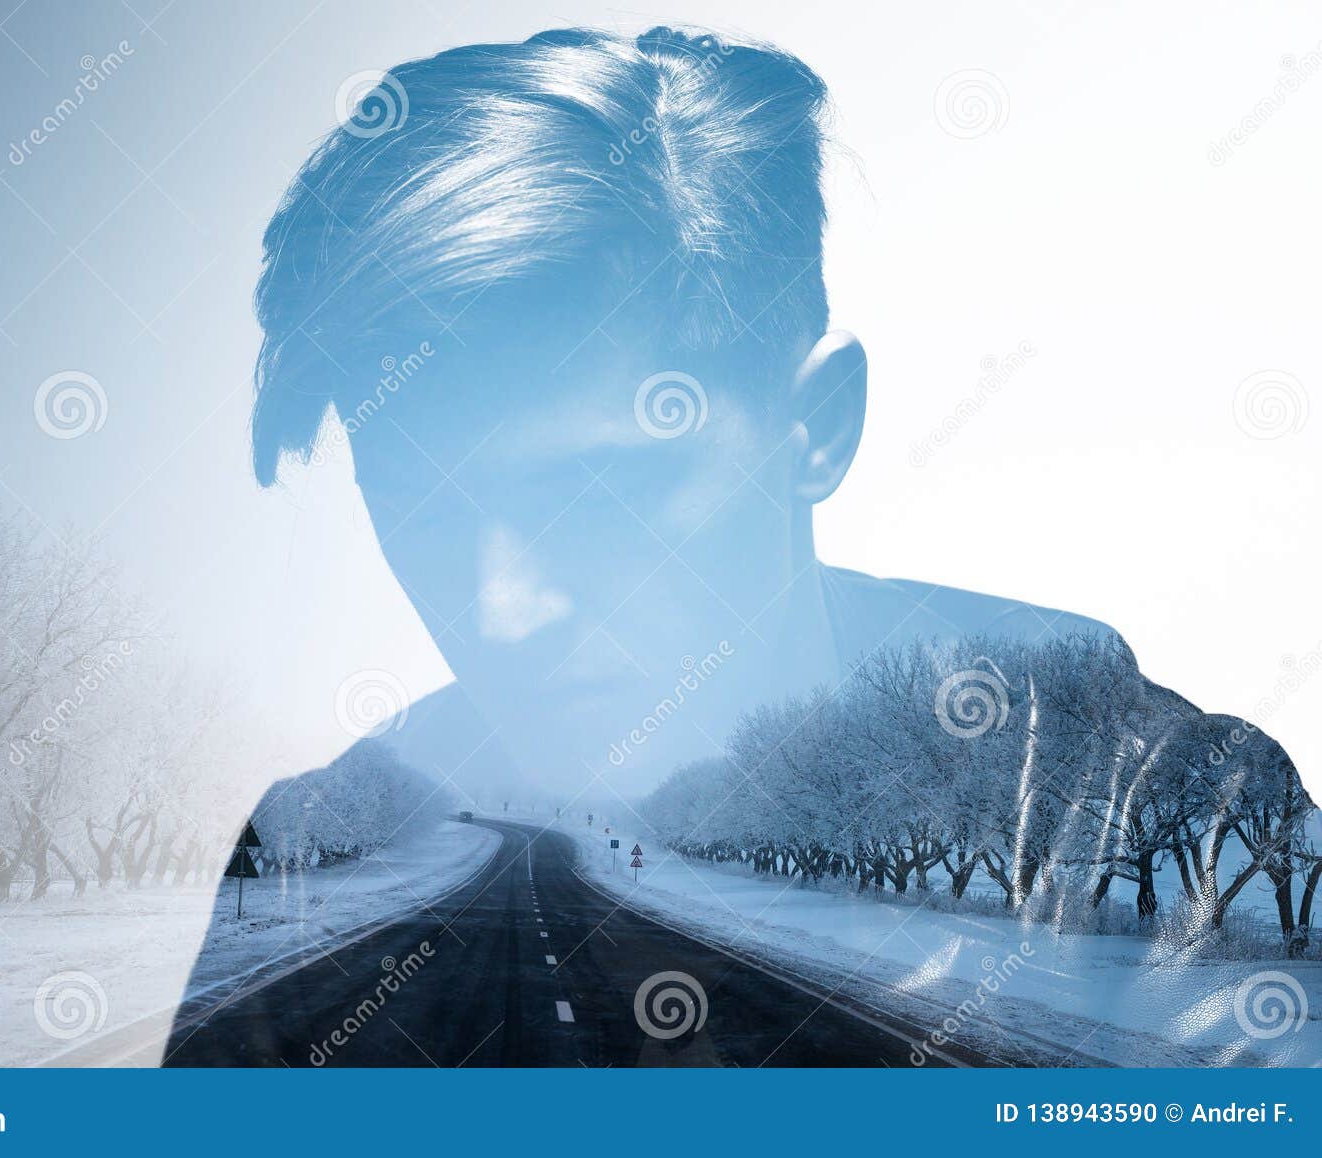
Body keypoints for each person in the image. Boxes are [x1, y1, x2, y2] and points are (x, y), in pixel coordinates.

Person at [171, 27, 1311, 1065]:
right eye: (423, 509)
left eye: (602, 494)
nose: (504, 609)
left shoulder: (1128, 780)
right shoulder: (316, 836)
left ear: (815, 427)